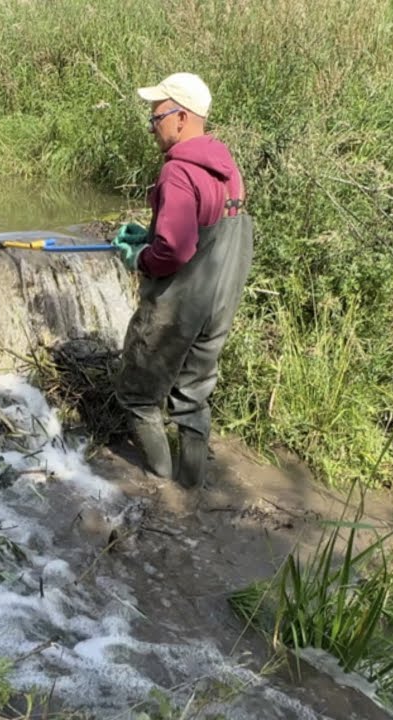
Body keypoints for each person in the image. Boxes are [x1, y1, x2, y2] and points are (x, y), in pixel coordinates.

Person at [110, 72, 255, 490]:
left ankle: (161, 489)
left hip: (179, 304)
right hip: (220, 299)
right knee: (192, 396)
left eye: (156, 116)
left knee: (138, 395)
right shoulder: (227, 169)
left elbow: (173, 252)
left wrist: (141, 255)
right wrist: (153, 233)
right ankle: (191, 488)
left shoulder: (177, 173)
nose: (152, 126)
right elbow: (204, 227)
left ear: (181, 118)